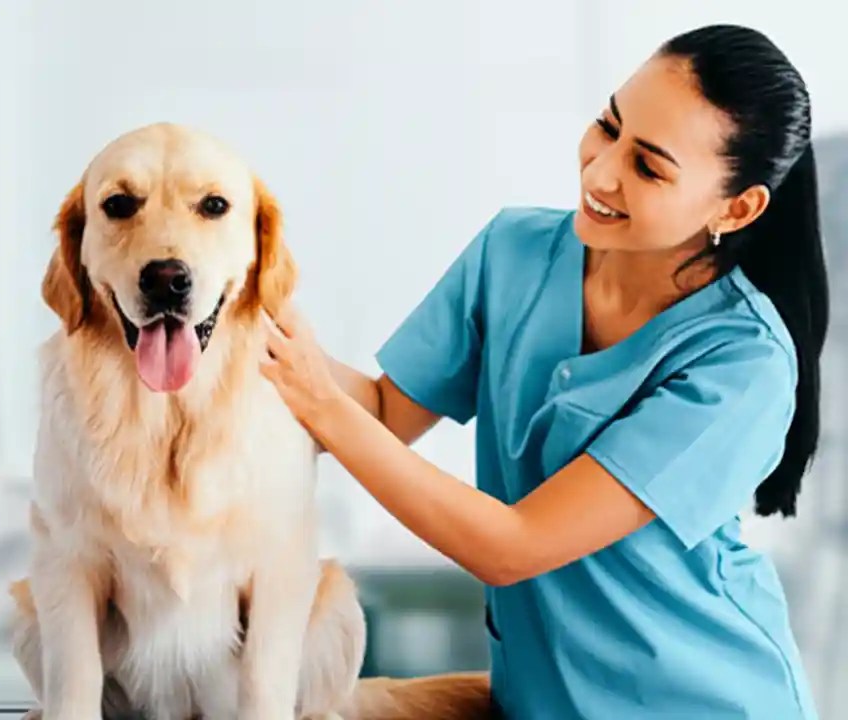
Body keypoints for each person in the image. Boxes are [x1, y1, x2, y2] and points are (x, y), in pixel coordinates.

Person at [260, 23, 828, 720]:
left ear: (735, 207)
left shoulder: (742, 362)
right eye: (607, 126)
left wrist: (321, 403)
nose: (600, 172)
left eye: (648, 166)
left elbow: (512, 546)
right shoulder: (513, 253)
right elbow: (381, 415)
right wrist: (251, 332)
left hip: (702, 701)